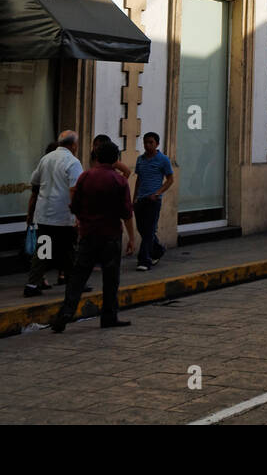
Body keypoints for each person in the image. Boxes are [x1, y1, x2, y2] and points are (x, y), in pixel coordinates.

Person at [50, 139, 135, 333]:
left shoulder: (85, 177)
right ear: (116, 159)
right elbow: (126, 213)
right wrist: (131, 237)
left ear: (96, 157)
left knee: (78, 277)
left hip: (88, 234)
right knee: (111, 279)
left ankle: (65, 313)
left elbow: (75, 206)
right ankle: (109, 316)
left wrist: (83, 221)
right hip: (111, 235)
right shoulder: (119, 181)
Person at [23, 130, 82, 297]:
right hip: (63, 215)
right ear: (74, 145)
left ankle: (32, 284)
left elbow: (34, 181)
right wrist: (77, 213)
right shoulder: (73, 161)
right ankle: (73, 283)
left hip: (44, 214)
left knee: (43, 250)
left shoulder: (45, 159)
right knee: (69, 250)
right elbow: (74, 189)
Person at [133, 132, 174, 271]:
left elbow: (170, 179)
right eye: (145, 142)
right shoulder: (140, 160)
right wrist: (135, 197)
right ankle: (158, 249)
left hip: (153, 200)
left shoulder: (163, 160)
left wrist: (158, 193)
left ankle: (144, 260)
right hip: (141, 199)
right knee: (142, 229)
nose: (147, 145)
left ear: (157, 144)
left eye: (151, 142)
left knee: (149, 229)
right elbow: (138, 179)